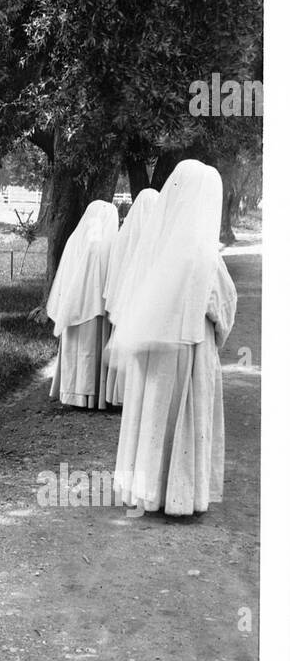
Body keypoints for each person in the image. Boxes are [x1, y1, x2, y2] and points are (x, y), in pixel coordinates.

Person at [112, 160, 237, 517]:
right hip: (190, 352)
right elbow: (221, 306)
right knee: (184, 420)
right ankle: (180, 493)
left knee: (151, 414)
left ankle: (146, 488)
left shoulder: (154, 249)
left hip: (153, 350)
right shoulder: (205, 256)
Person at [46, 200, 120, 409]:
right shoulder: (106, 247)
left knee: (74, 350)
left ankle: (71, 392)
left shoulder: (75, 240)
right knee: (90, 352)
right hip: (95, 309)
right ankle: (91, 395)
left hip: (73, 306)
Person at [102, 188, 160, 405]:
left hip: (126, 299)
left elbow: (115, 269)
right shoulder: (158, 237)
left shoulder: (123, 236)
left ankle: (120, 393)